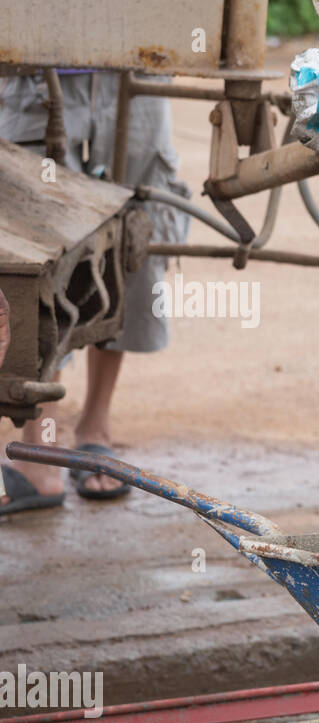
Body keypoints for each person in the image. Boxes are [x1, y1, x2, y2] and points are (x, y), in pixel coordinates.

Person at [0, 71, 189, 514]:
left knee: (131, 231)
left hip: (139, 65)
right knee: (31, 241)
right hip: (36, 68)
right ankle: (39, 452)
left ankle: (95, 428)